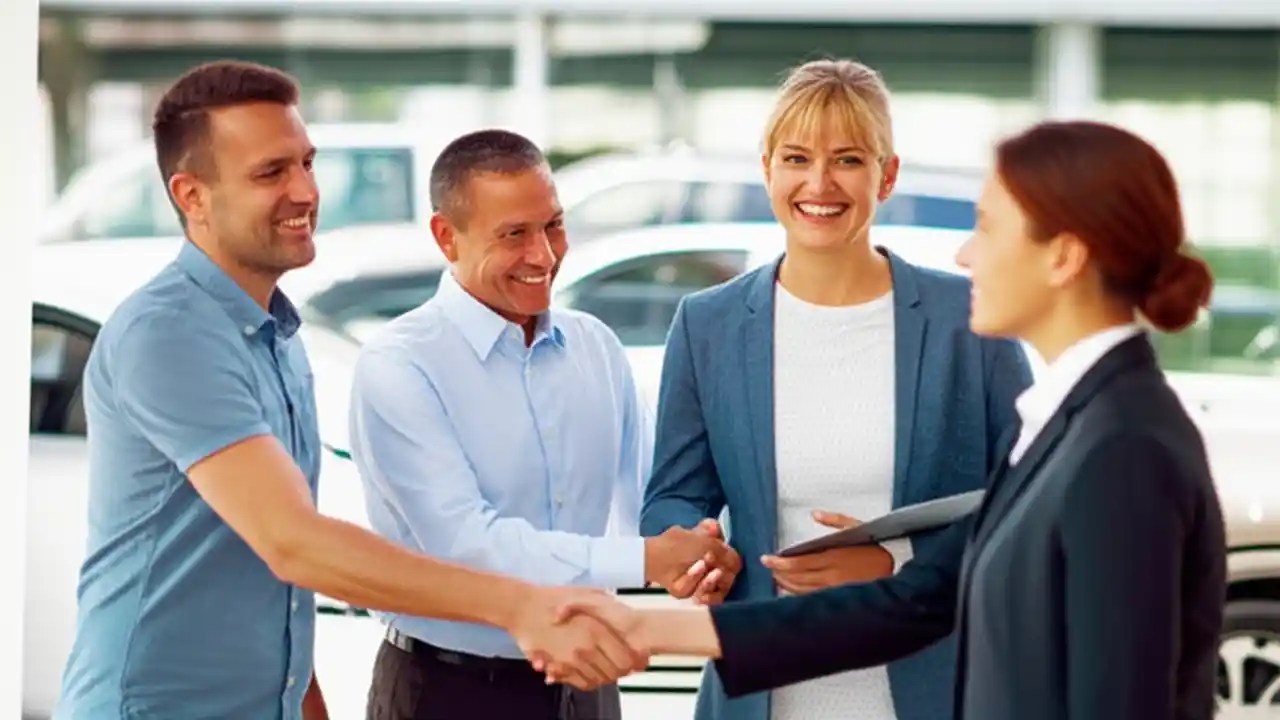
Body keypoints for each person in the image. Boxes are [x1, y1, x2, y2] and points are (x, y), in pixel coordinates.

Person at [558, 119, 1228, 720]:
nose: (965, 255)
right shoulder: (1067, 426)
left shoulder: (1124, 447)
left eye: (988, 227)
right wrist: (637, 627)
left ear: (1064, 256)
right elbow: (911, 605)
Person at [55, 61, 646, 720]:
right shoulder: (170, 332)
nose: (305, 191)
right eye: (270, 172)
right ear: (192, 196)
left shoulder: (273, 335)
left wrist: (304, 700)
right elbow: (294, 542)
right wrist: (521, 605)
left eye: (306, 163)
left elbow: (265, 570)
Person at [636, 58, 1030, 720]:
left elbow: (1029, 510)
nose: (818, 183)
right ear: (767, 169)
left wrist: (899, 564)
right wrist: (692, 549)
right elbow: (672, 495)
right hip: (763, 693)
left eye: (847, 159)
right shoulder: (708, 326)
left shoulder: (971, 319)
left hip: (935, 689)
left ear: (888, 174)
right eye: (796, 158)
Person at [347, 128, 742, 720]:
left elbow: (647, 500)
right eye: (514, 235)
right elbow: (467, 545)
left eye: (553, 225)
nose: (544, 255)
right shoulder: (399, 366)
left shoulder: (595, 348)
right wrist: (648, 559)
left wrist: (702, 557)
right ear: (445, 237)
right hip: (447, 691)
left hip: (586, 686)